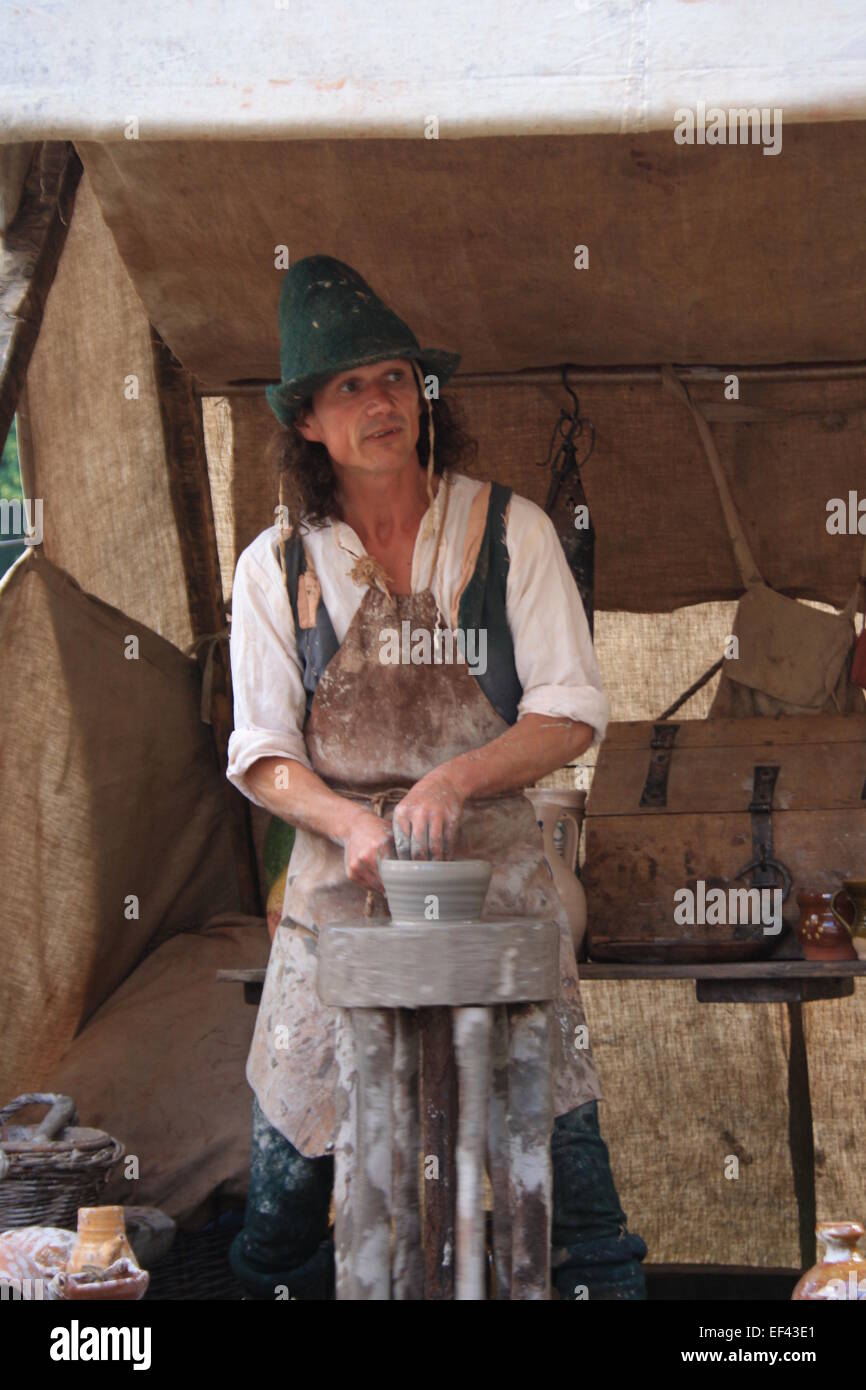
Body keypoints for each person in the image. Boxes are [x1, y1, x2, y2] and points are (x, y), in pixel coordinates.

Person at [226, 255, 646, 1299]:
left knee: (565, 1171)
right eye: (349, 388)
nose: (380, 402)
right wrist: (343, 821)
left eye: (396, 380)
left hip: (493, 883)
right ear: (308, 423)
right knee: (285, 1183)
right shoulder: (276, 564)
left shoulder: (511, 534)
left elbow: (569, 710)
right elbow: (261, 754)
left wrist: (456, 778)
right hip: (342, 895)